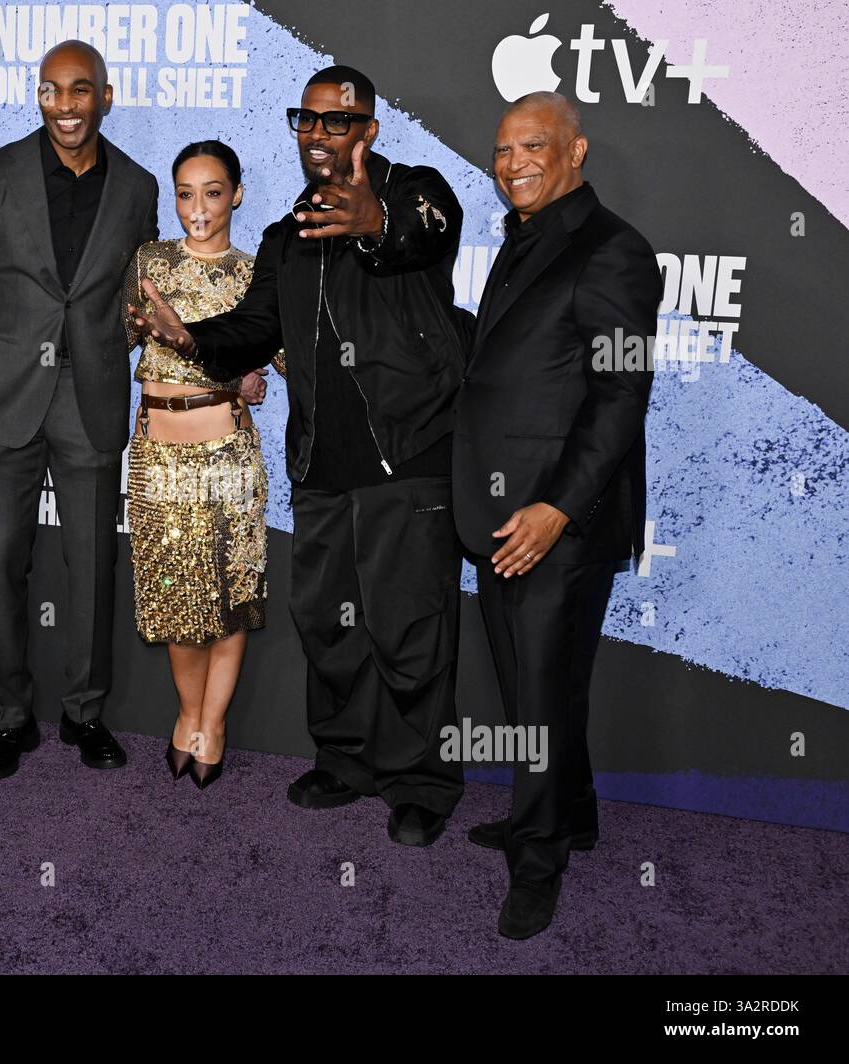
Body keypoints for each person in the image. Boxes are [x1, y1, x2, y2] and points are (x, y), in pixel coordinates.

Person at [129, 67, 470, 844]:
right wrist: (191, 338)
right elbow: (253, 328)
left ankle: (421, 780)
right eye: (307, 120)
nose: (319, 134)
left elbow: (421, 230)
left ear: (369, 131)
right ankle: (346, 760)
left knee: (411, 629)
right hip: (319, 467)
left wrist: (373, 219)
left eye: (338, 121)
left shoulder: (415, 192)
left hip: (407, 460)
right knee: (331, 626)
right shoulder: (287, 237)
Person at [0, 41, 159, 779]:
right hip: (4, 399)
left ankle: (86, 714)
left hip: (92, 400)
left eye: (82, 90)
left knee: (94, 567)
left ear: (104, 97)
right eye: (52, 90)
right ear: (38, 96)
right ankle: (10, 719)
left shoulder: (137, 186)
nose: (67, 104)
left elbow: (135, 299)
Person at [453, 91, 659, 939]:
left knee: (537, 699)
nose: (513, 165)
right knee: (538, 687)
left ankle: (537, 862)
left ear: (577, 150)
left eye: (531, 147)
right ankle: (569, 812)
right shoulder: (523, 237)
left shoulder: (615, 251)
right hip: (503, 515)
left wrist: (557, 510)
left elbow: (620, 397)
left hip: (557, 523)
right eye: (502, 152)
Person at [122, 141, 276, 790]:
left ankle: (211, 725)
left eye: (212, 191)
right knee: (176, 604)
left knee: (231, 603)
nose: (198, 207)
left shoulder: (253, 273)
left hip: (229, 461)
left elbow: (281, 362)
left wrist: (255, 380)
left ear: (236, 194)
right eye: (185, 192)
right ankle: (188, 712)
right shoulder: (149, 262)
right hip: (158, 459)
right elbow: (117, 335)